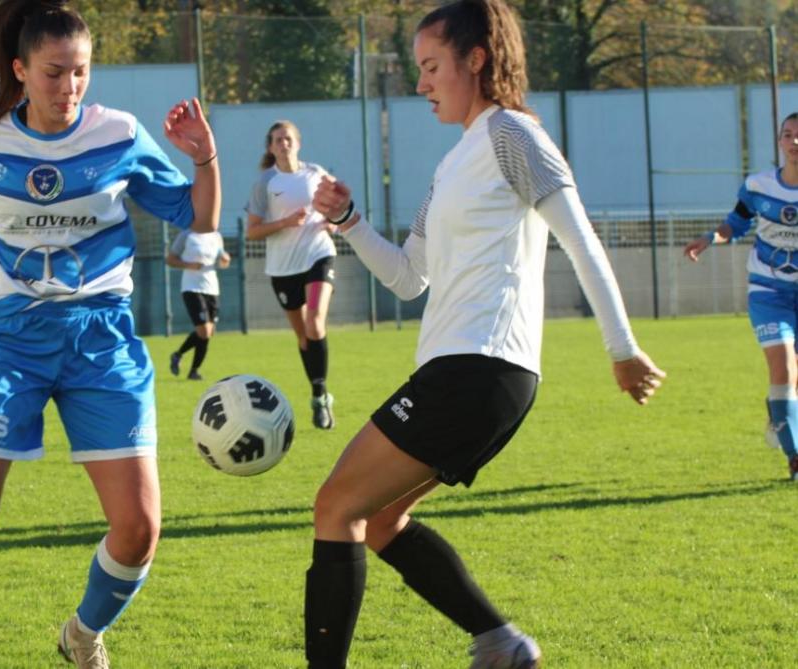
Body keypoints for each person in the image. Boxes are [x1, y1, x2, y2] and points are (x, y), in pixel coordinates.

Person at [300, 2, 666, 668]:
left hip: (479, 369)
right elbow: (410, 278)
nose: (420, 84)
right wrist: (350, 221)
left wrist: (622, 348)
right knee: (378, 519)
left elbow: (580, 241)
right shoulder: (451, 165)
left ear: (476, 59)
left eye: (431, 66)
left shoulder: (511, 135)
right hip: (466, 373)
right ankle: (499, 641)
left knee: (336, 504)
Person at [0, 1, 219, 667]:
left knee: (138, 530)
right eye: (54, 73)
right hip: (9, 341)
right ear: (21, 70)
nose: (69, 88)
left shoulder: (119, 135)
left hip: (100, 340)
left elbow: (197, 216)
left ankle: (81, 633)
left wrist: (204, 158)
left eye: (79, 72)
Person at [684, 111, 798, 482]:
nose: (794, 142)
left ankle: (779, 411)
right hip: (768, 291)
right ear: (779, 142)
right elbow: (736, 221)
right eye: (788, 135)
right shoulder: (759, 185)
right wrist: (710, 238)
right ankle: (795, 460)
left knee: (793, 381)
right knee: (782, 369)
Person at [245, 120, 339, 429]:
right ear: (271, 148)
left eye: (288, 138)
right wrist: (284, 223)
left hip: (318, 255)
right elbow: (253, 232)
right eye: (277, 140)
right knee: (303, 337)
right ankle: (317, 392)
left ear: (297, 143)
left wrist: (333, 223)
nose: (283, 144)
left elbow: (338, 206)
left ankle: (321, 399)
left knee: (315, 323)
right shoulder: (265, 184)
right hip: (283, 269)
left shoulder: (316, 173)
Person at [165, 228, 230, 380]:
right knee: (204, 331)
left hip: (212, 288)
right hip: (192, 287)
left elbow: (221, 260)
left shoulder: (216, 236)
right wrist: (189, 265)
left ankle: (192, 370)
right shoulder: (186, 235)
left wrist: (225, 260)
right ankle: (181, 357)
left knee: (209, 332)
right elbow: (170, 260)